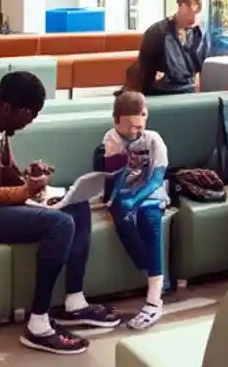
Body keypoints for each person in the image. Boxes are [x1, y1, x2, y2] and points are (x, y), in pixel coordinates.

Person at [0, 71, 121, 355]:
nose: (31, 121)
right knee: (60, 225)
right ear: (9, 108)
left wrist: (28, 178)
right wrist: (25, 192)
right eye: (30, 114)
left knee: (78, 204)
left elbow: (0, 172)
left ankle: (74, 303)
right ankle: (38, 324)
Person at [101, 90, 168, 330]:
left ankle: (154, 300)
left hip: (149, 194)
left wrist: (137, 200)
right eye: (129, 127)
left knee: (150, 221)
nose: (135, 132)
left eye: (139, 125)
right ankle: (153, 271)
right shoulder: (111, 139)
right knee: (122, 219)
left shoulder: (153, 140)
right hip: (123, 194)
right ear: (115, 121)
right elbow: (111, 178)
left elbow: (157, 179)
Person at [135, 0, 208, 96]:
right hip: (162, 93)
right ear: (182, 7)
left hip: (190, 93)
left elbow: (202, 68)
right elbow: (145, 73)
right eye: (193, 12)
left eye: (198, 13)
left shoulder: (198, 34)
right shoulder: (157, 33)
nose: (195, 19)